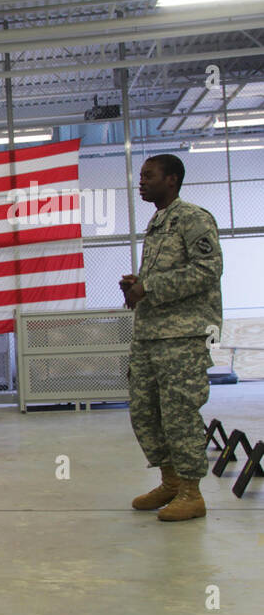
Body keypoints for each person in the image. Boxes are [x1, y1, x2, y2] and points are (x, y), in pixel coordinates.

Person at [122, 154, 222, 521]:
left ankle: (192, 493)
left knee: (179, 412)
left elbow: (208, 269)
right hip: (151, 335)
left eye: (149, 176)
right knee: (145, 412)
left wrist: (151, 287)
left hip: (184, 335)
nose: (142, 182)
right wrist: (137, 287)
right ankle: (171, 481)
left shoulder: (193, 218)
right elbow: (163, 279)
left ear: (172, 180)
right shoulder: (158, 221)